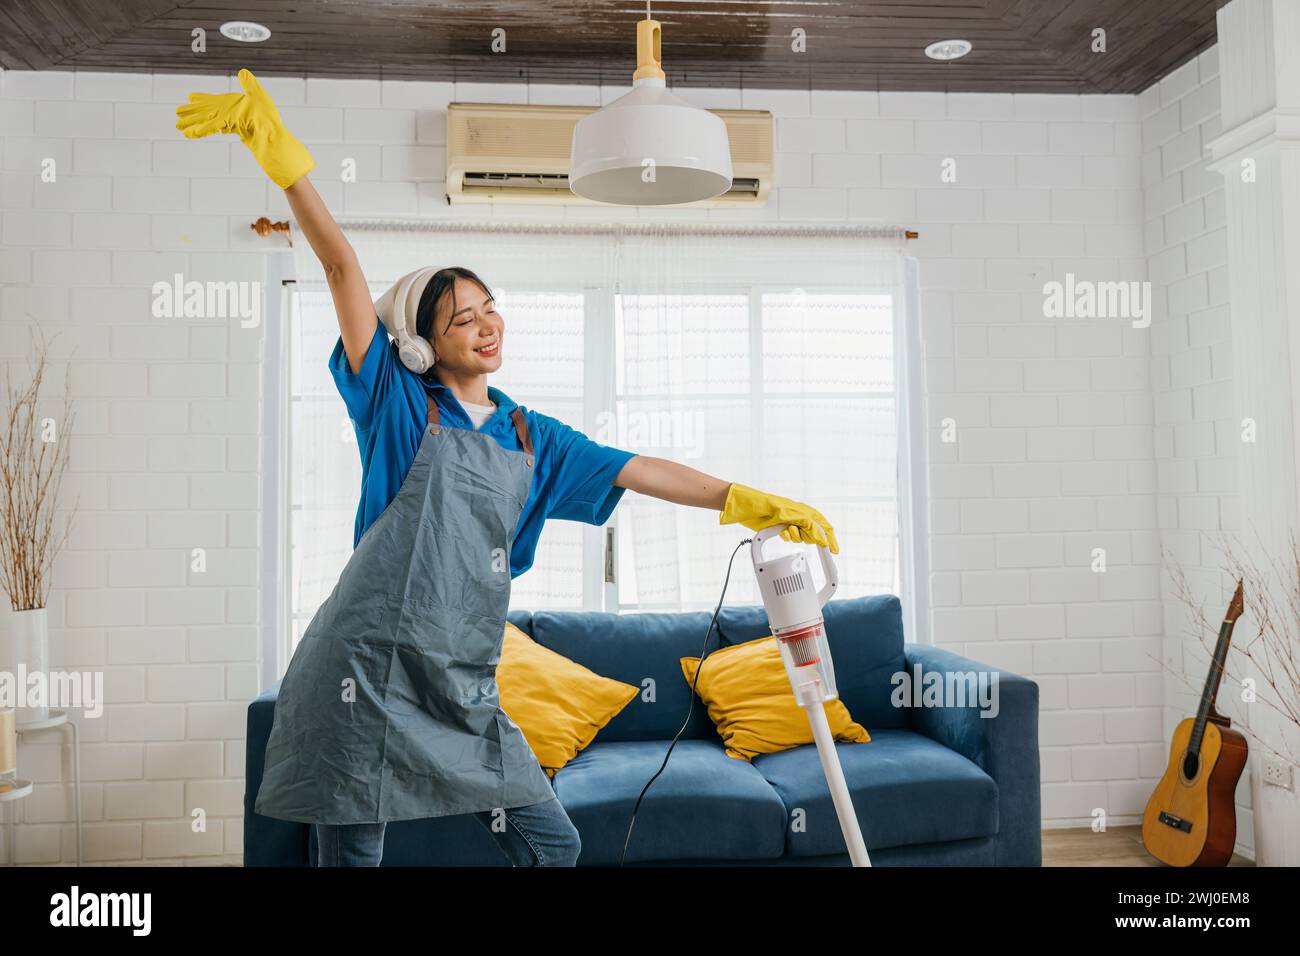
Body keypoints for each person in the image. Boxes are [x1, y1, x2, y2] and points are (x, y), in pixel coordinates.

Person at [176, 69, 839, 868]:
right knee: (353, 857)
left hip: (461, 683)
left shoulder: (532, 436)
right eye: (462, 318)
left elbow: (640, 469)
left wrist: (744, 499)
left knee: (553, 844)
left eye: (490, 307)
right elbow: (343, 271)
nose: (486, 325)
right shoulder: (395, 403)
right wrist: (287, 166)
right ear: (423, 345)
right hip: (361, 670)